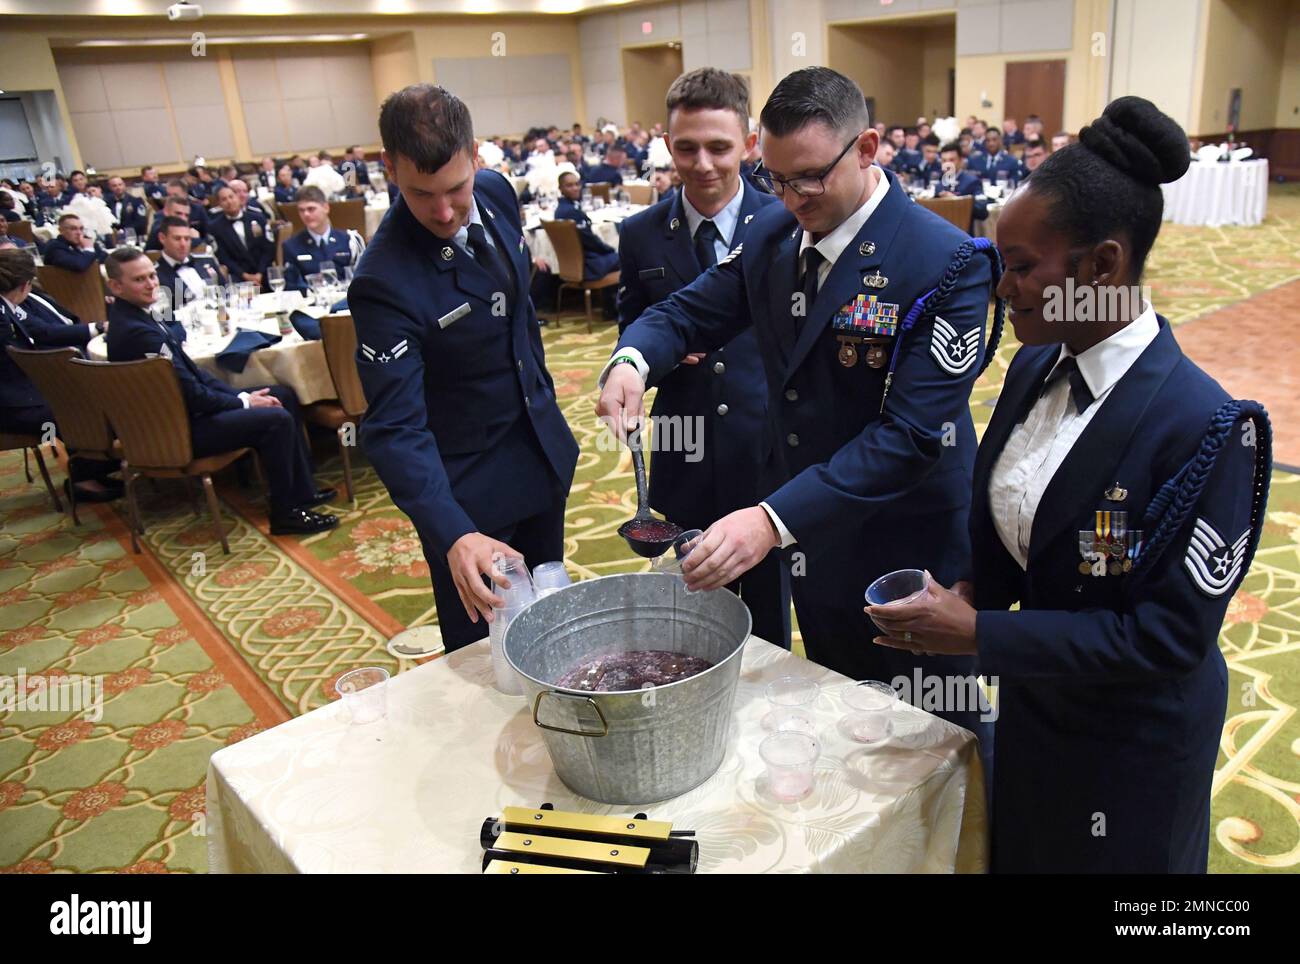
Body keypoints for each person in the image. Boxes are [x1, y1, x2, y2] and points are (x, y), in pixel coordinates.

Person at [865, 96, 1272, 874]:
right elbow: (1027, 538)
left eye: (1022, 267)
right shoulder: (1030, 366)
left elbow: (1167, 638)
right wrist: (963, 594)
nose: (1003, 288)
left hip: (1133, 738)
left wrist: (981, 634)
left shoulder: (1208, 427)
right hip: (1034, 703)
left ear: (1103, 266)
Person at [598, 67, 999, 748]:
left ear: (867, 149)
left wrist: (771, 520)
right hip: (815, 541)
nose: (792, 198)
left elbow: (906, 437)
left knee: (936, 739)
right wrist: (632, 361)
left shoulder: (948, 263)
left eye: (810, 177)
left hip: (905, 547)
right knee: (844, 716)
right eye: (776, 179)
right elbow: (687, 312)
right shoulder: (775, 237)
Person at [351, 84, 579, 651]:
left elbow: (519, 322)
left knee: (551, 630)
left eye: (456, 187)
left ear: (476, 155)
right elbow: (395, 428)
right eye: (420, 194)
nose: (445, 210)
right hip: (470, 501)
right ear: (389, 169)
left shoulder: (499, 193)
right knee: (490, 661)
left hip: (541, 457)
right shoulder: (384, 280)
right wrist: (453, 533)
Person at [618, 67, 789, 648]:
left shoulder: (785, 223)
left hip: (762, 440)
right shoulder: (641, 231)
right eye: (686, 148)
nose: (704, 164)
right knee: (689, 602)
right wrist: (645, 361)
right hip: (682, 443)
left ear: (748, 145)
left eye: (720, 147)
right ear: (668, 145)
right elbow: (634, 322)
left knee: (767, 606)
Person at [104, 247, 339, 534]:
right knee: (275, 420)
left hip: (186, 412)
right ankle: (286, 512)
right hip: (176, 429)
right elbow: (189, 393)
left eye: (152, 275)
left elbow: (194, 373)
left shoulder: (139, 316)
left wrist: (240, 397)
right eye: (140, 279)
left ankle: (302, 492)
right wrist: (243, 404)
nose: (152, 283)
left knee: (283, 395)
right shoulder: (134, 331)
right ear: (116, 286)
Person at [0, 249, 121, 503]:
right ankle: (85, 478)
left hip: (22, 389)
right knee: (76, 410)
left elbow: (40, 333)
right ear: (25, 285)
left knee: (89, 396)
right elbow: (17, 356)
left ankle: (98, 465)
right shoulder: (3, 315)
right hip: (11, 403)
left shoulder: (8, 306)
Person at [281, 185, 366, 293]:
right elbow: (292, 286)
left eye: (311, 209)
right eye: (301, 210)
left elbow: (364, 277)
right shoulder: (291, 246)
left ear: (326, 208)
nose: (306, 214)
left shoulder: (348, 240)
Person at [207, 184, 274, 291]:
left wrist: (259, 274)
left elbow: (269, 249)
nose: (229, 201)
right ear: (219, 204)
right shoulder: (215, 227)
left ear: (237, 197)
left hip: (264, 273)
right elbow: (224, 257)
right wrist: (246, 276)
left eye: (231, 196)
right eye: (224, 199)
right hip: (238, 278)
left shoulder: (258, 218)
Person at [155, 215, 224, 311]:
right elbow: (164, 315)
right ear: (162, 238)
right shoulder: (155, 275)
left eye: (187, 239)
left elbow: (224, 294)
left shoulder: (206, 261)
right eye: (177, 239)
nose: (183, 244)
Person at [938, 143, 989, 231]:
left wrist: (957, 201)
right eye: (944, 160)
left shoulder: (972, 182)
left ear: (961, 161)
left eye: (951, 160)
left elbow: (982, 212)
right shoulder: (939, 185)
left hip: (963, 235)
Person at [41, 215, 107, 272]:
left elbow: (105, 257)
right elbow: (79, 265)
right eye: (73, 229)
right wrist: (88, 249)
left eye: (81, 229)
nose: (79, 233)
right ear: (61, 230)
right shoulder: (55, 247)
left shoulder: (83, 241)